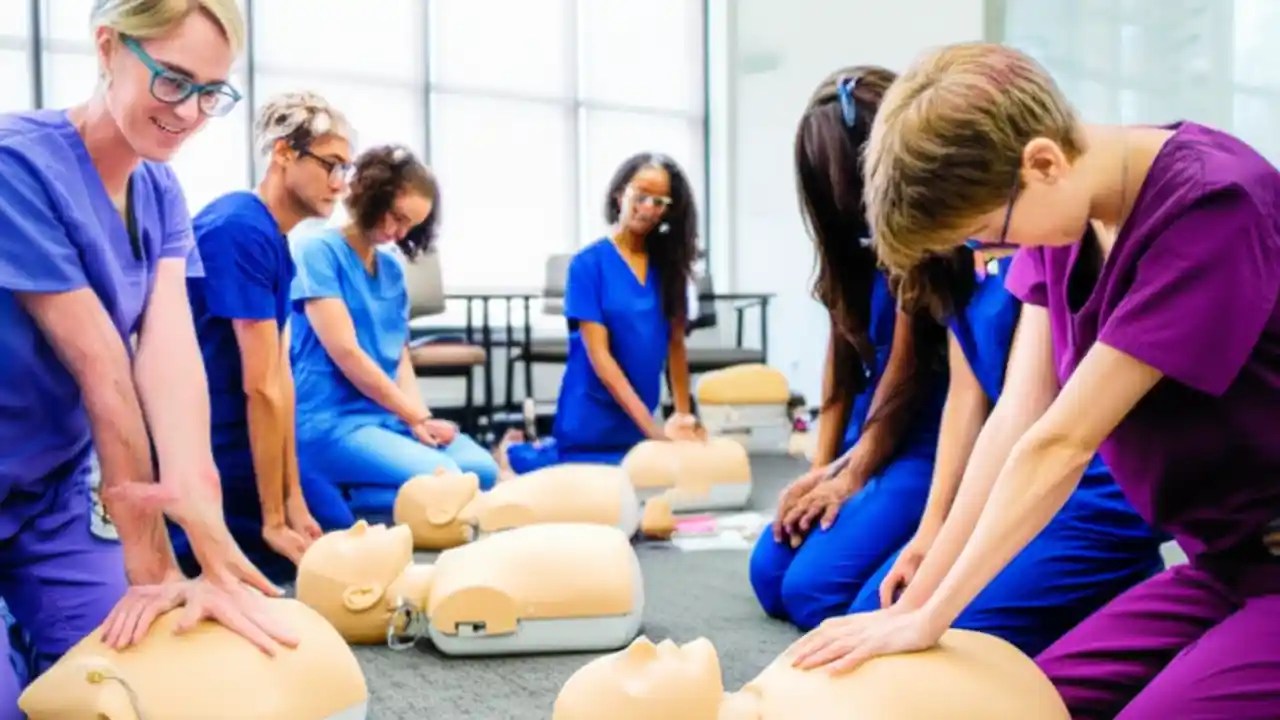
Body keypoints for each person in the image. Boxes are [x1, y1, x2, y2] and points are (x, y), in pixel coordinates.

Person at [789, 42, 1280, 719]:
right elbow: (1016, 421)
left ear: (1042, 162)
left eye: (986, 233)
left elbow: (1061, 444)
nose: (990, 256)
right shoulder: (1067, 220)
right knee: (1013, 701)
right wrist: (924, 599)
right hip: (1223, 562)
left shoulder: (1213, 206)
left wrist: (931, 620)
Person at [0, 0, 293, 713]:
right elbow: (102, 365)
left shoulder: (160, 188)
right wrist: (154, 560)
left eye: (211, 92)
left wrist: (210, 535)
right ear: (107, 47)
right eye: (174, 80)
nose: (190, 112)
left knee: (139, 673)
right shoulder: (16, 164)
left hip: (50, 491)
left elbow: (170, 363)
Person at [746, 68, 951, 633]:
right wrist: (818, 476)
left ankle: (909, 530)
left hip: (920, 444)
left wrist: (852, 476)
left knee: (812, 595)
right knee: (769, 574)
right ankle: (877, 526)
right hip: (870, 439)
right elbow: (839, 380)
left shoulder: (921, 243)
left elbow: (901, 382)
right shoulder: (848, 251)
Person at [176, 92, 355, 584]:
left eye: (347, 170)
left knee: (329, 525)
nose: (340, 185)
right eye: (330, 165)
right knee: (318, 552)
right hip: (201, 436)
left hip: (240, 423)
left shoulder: (275, 240)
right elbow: (260, 387)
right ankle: (181, 539)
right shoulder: (237, 229)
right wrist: (272, 520)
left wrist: (293, 497)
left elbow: (279, 378)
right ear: (282, 154)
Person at [290, 145, 500, 527]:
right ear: (370, 194)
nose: (398, 232)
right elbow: (346, 352)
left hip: (383, 417)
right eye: (396, 216)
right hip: (328, 422)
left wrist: (421, 421)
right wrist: (412, 414)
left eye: (410, 226)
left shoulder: (390, 267)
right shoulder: (316, 249)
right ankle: (333, 493)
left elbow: (400, 355)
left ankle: (353, 493)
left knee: (481, 470)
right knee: (451, 482)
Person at [502, 153, 701, 475]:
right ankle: (514, 452)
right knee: (588, 482)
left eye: (660, 201)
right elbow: (600, 358)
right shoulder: (587, 265)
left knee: (650, 482)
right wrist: (653, 432)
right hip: (590, 418)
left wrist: (682, 417)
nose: (649, 207)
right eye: (641, 195)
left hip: (638, 425)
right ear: (620, 194)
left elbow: (676, 346)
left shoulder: (670, 268)